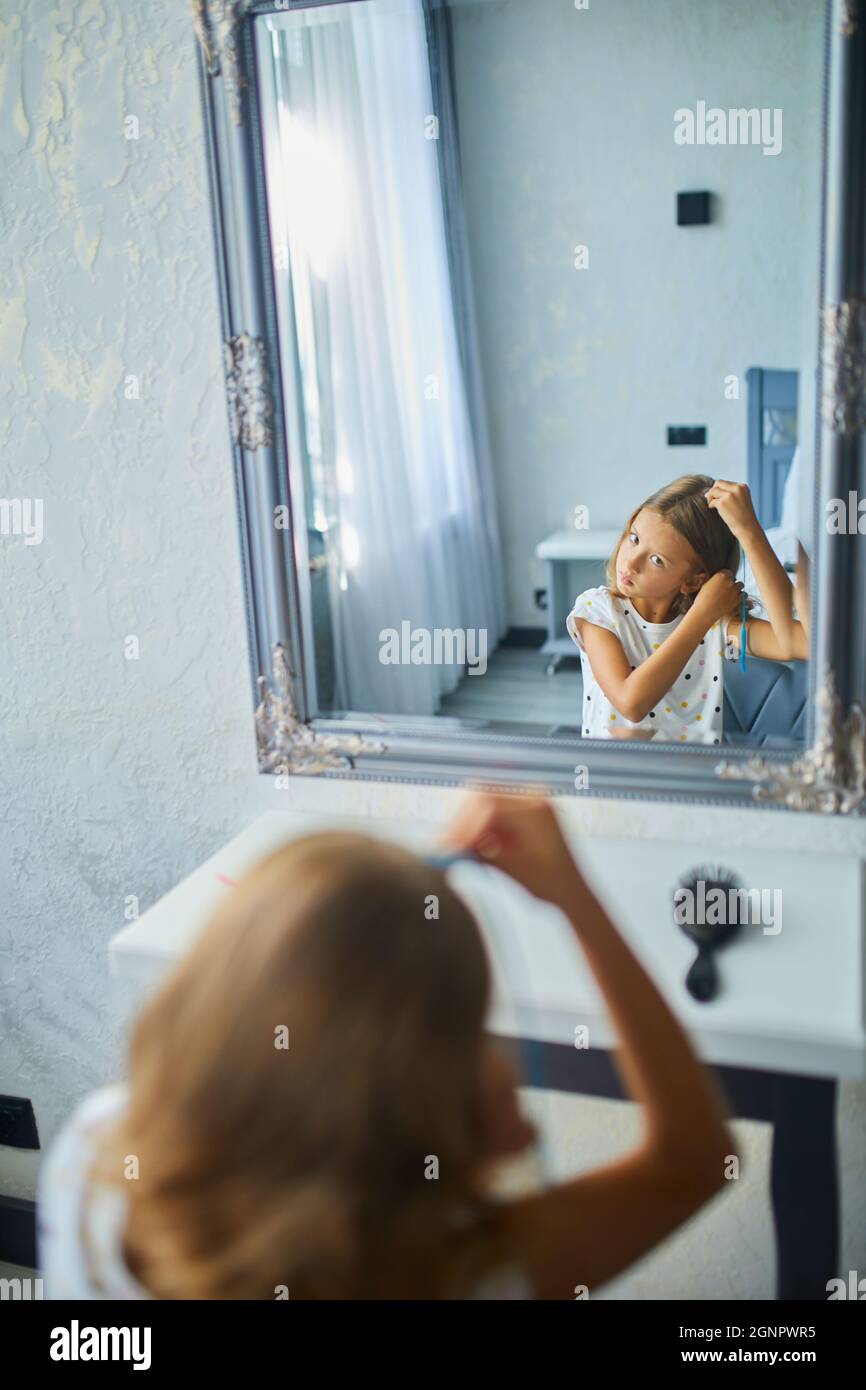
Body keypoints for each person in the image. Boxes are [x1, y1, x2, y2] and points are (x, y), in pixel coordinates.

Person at [39, 794, 735, 1299]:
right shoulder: (464, 1276)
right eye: (472, 1033)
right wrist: (576, 901)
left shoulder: (96, 1157)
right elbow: (696, 1161)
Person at [567, 475, 808, 743]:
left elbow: (801, 644)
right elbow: (631, 703)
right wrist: (701, 616)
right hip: (616, 779)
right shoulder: (597, 611)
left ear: (693, 581)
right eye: (634, 538)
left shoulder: (717, 625)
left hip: (694, 777)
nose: (632, 562)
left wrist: (751, 534)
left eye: (657, 560)